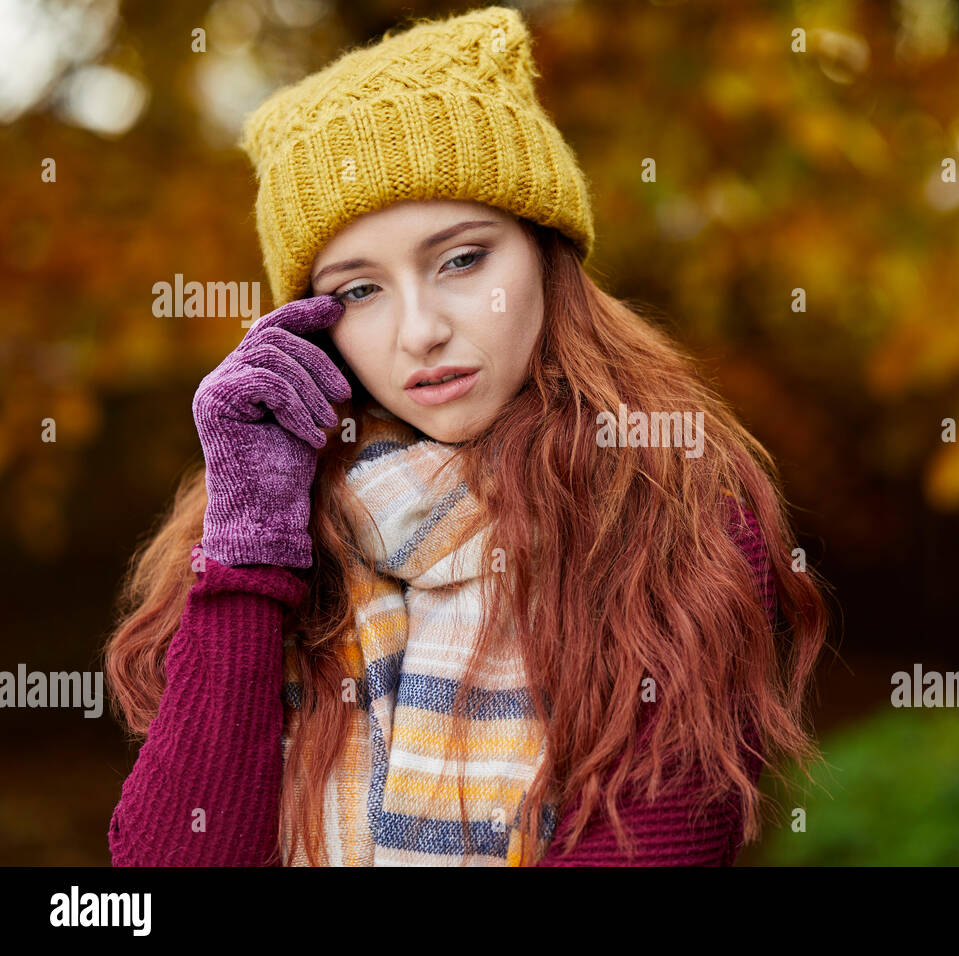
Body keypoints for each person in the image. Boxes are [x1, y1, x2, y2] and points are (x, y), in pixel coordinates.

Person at [103, 5, 829, 867]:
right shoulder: (265, 520)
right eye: (360, 291)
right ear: (308, 323)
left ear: (544, 252)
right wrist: (251, 547)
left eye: (461, 260)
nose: (420, 332)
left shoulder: (669, 512)